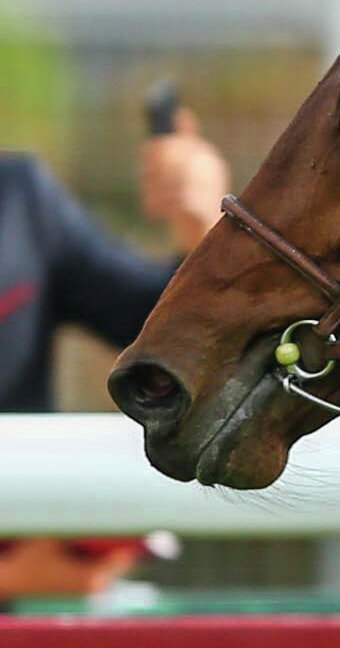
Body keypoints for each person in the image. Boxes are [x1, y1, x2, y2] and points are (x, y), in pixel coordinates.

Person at [1, 106, 226, 600]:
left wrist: (205, 226)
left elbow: (167, 331)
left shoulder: (20, 199)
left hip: (29, 607)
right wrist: (13, 578)